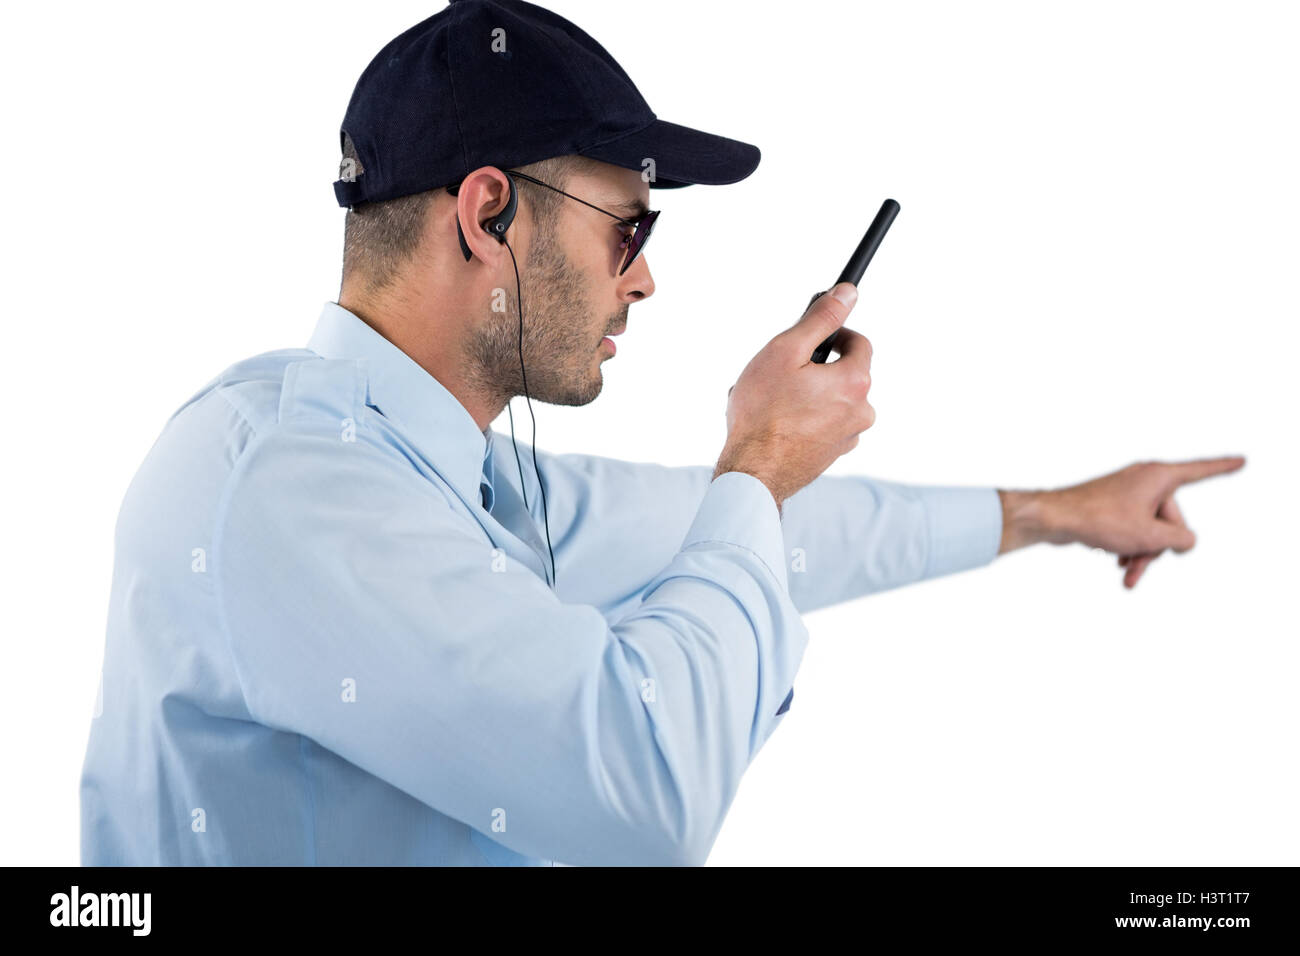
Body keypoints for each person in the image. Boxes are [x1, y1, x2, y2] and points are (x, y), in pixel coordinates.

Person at [79, 0, 1245, 866]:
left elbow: (751, 528)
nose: (644, 282)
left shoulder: (449, 470)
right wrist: (756, 464)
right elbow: (640, 797)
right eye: (627, 229)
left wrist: (1054, 512)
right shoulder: (296, 484)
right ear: (487, 215)